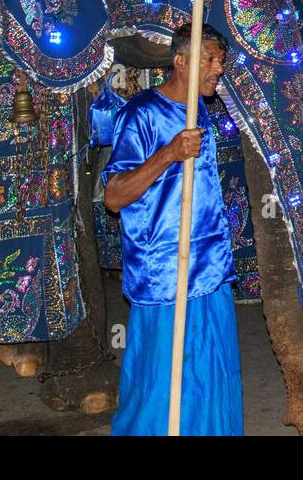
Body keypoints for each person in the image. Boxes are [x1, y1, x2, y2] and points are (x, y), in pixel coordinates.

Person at [102, 23, 242, 436]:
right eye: (211, 59)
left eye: (221, 60)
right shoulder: (141, 113)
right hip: (165, 274)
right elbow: (114, 196)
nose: (220, 68)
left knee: (213, 376)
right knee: (161, 384)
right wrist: (169, 153)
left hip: (211, 266)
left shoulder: (201, 117)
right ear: (180, 62)